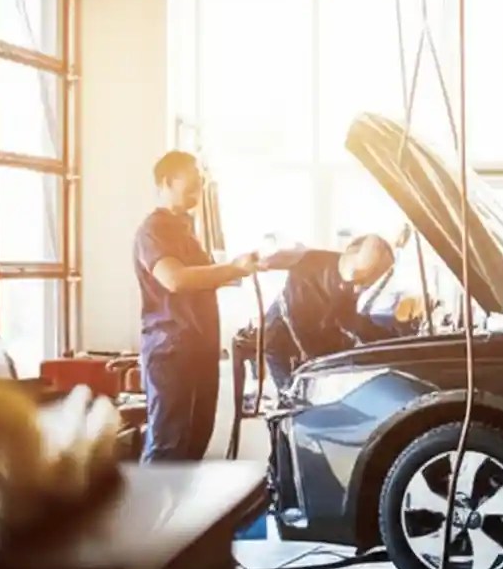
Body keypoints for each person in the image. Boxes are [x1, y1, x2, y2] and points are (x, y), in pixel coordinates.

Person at [134, 151, 261, 462]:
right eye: (191, 181)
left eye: (200, 181)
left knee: (193, 444)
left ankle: (182, 512)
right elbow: (175, 279)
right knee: (169, 448)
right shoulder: (153, 230)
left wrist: (250, 266)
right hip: (172, 351)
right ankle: (151, 511)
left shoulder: (184, 230)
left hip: (198, 349)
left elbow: (204, 277)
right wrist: (232, 269)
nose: (198, 187)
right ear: (166, 182)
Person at [261, 233, 425, 390]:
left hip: (318, 324)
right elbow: (307, 336)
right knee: (283, 364)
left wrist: (391, 343)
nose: (358, 289)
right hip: (284, 326)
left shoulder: (348, 277)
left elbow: (352, 322)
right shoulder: (310, 269)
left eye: (366, 283)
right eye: (360, 283)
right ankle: (286, 398)